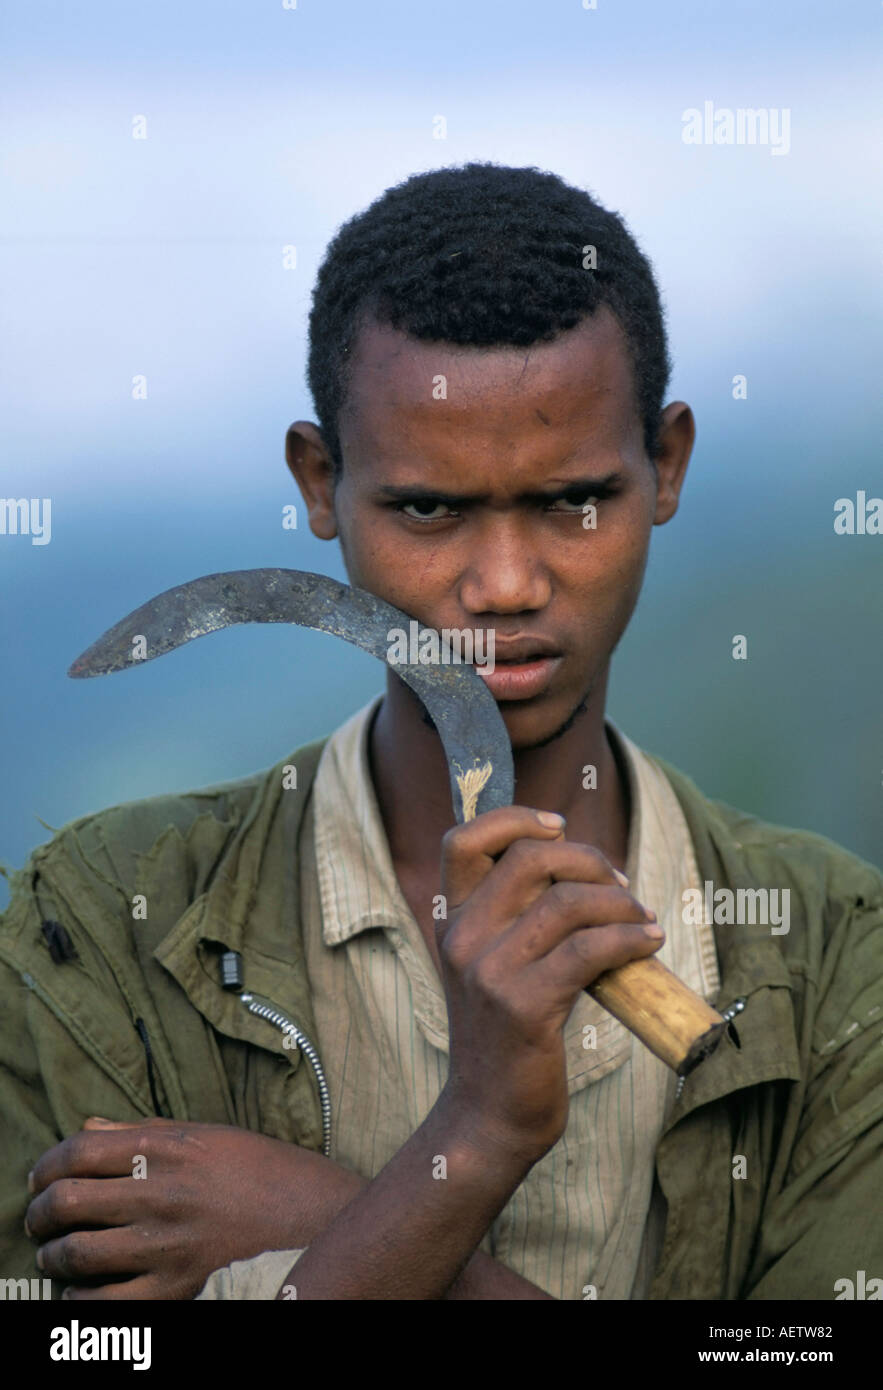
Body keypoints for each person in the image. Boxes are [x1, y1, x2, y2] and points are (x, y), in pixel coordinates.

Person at [2, 163, 880, 1301]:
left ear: (664, 466)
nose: (506, 585)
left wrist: (390, 1191)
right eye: (428, 508)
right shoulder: (102, 930)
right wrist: (452, 1170)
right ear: (320, 483)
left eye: (573, 501)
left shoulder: (833, 958)